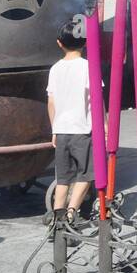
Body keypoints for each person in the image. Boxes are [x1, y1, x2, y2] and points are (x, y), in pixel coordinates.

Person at [47, 20, 91, 225]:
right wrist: (106, 125)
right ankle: (72, 213)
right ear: (84, 42)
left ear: (59, 43)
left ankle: (57, 217)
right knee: (85, 174)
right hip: (83, 129)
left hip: (62, 129)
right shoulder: (88, 67)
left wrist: (54, 129)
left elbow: (51, 102)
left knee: (63, 177)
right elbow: (95, 99)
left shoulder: (55, 68)